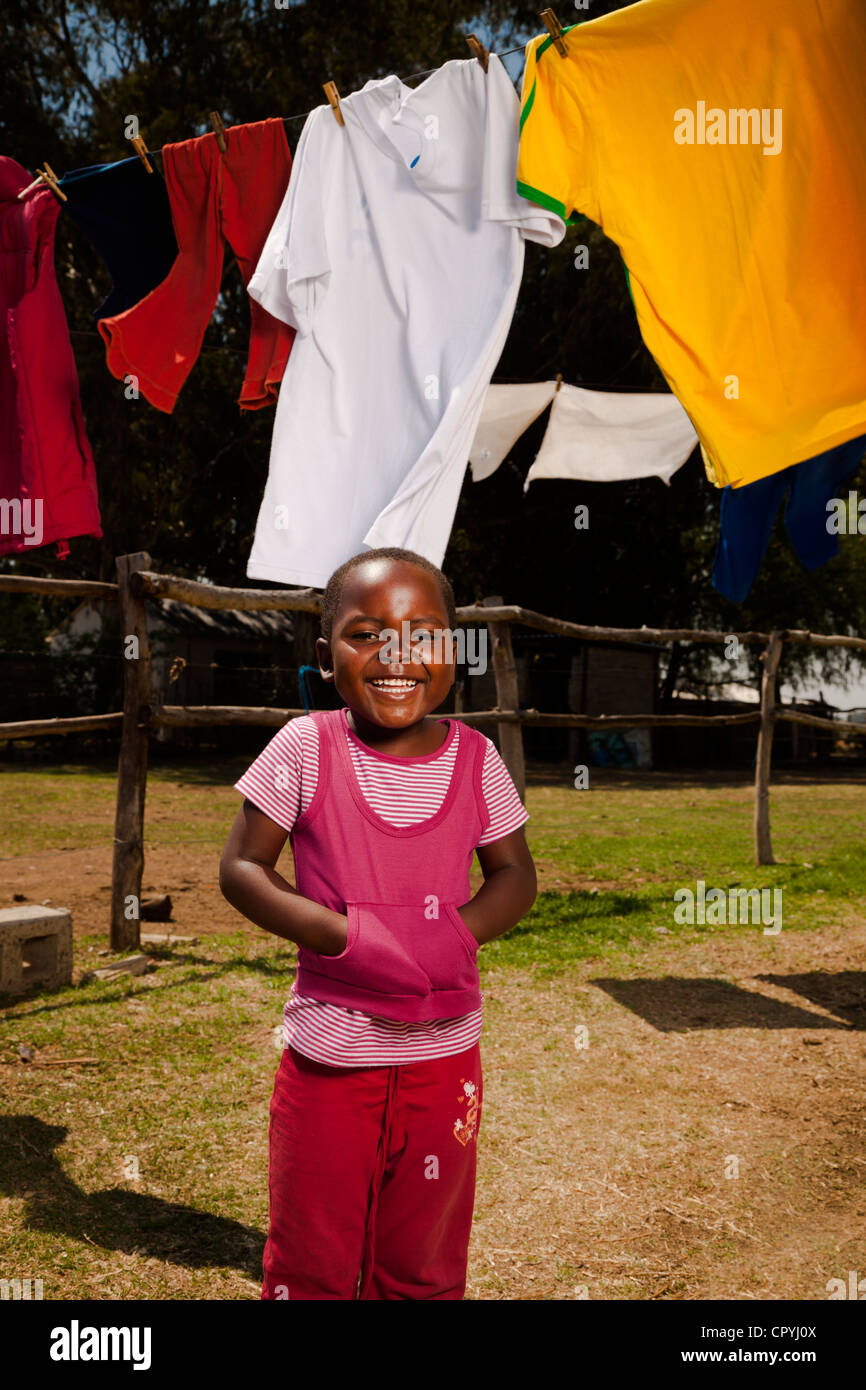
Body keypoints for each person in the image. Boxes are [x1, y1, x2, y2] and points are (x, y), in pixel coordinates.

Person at [220, 547, 537, 1299]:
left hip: (445, 1057)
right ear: (325, 656)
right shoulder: (306, 747)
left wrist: (454, 933)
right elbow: (241, 869)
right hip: (330, 1067)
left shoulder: (476, 758)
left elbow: (516, 876)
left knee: (423, 1262)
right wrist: (342, 935)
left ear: (454, 649)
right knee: (313, 1264)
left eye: (424, 633)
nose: (397, 656)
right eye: (365, 634)